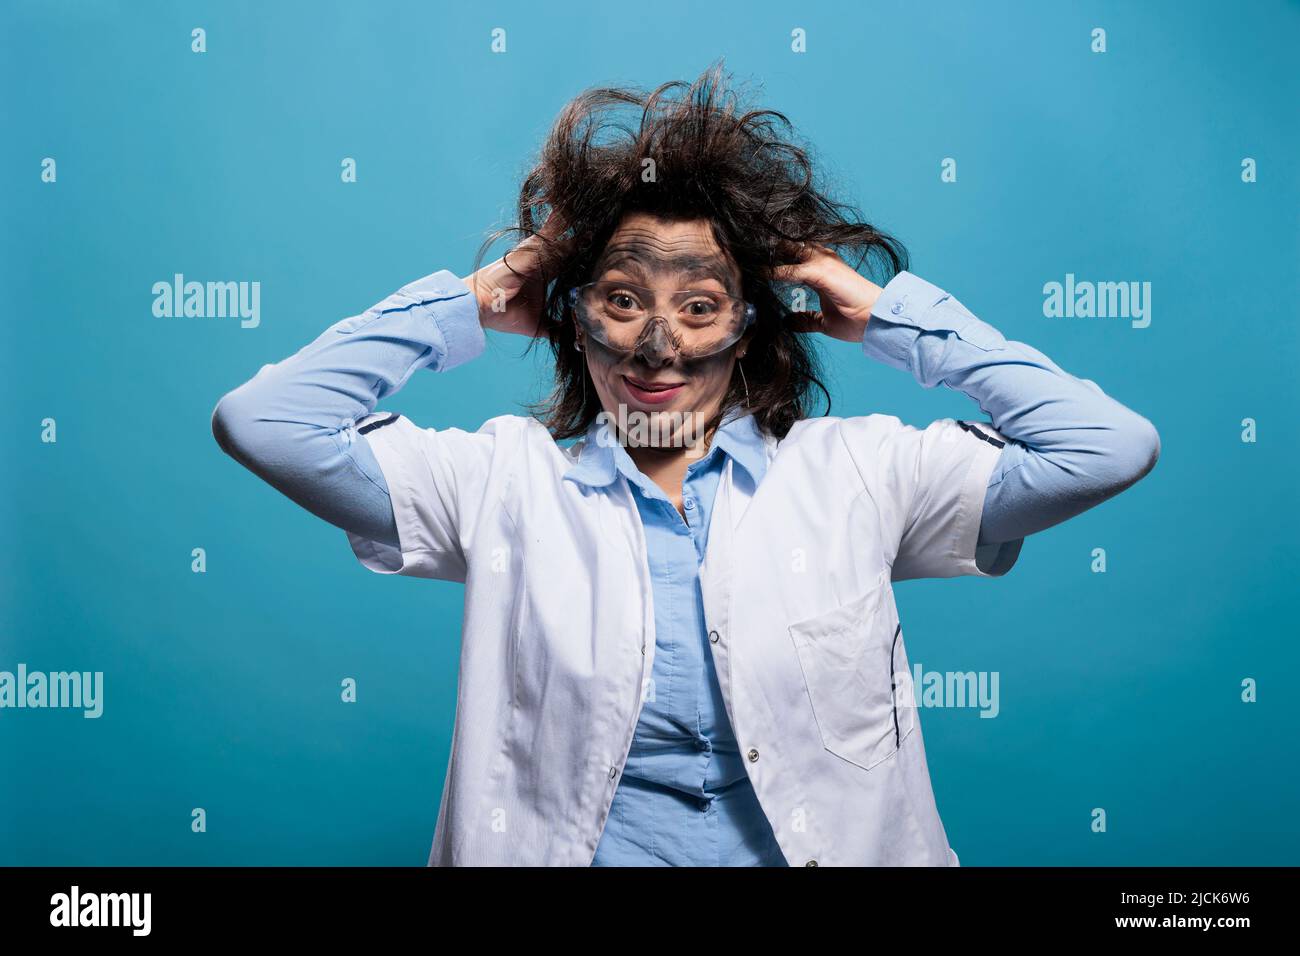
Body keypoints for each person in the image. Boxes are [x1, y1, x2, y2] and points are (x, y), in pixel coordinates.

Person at [210, 63, 1159, 866]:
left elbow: (1107, 447)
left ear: (750, 328)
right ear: (569, 316)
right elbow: (266, 423)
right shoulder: (498, 484)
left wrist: (894, 322)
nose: (657, 347)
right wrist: (481, 291)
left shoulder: (865, 474)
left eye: (701, 307)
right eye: (621, 300)